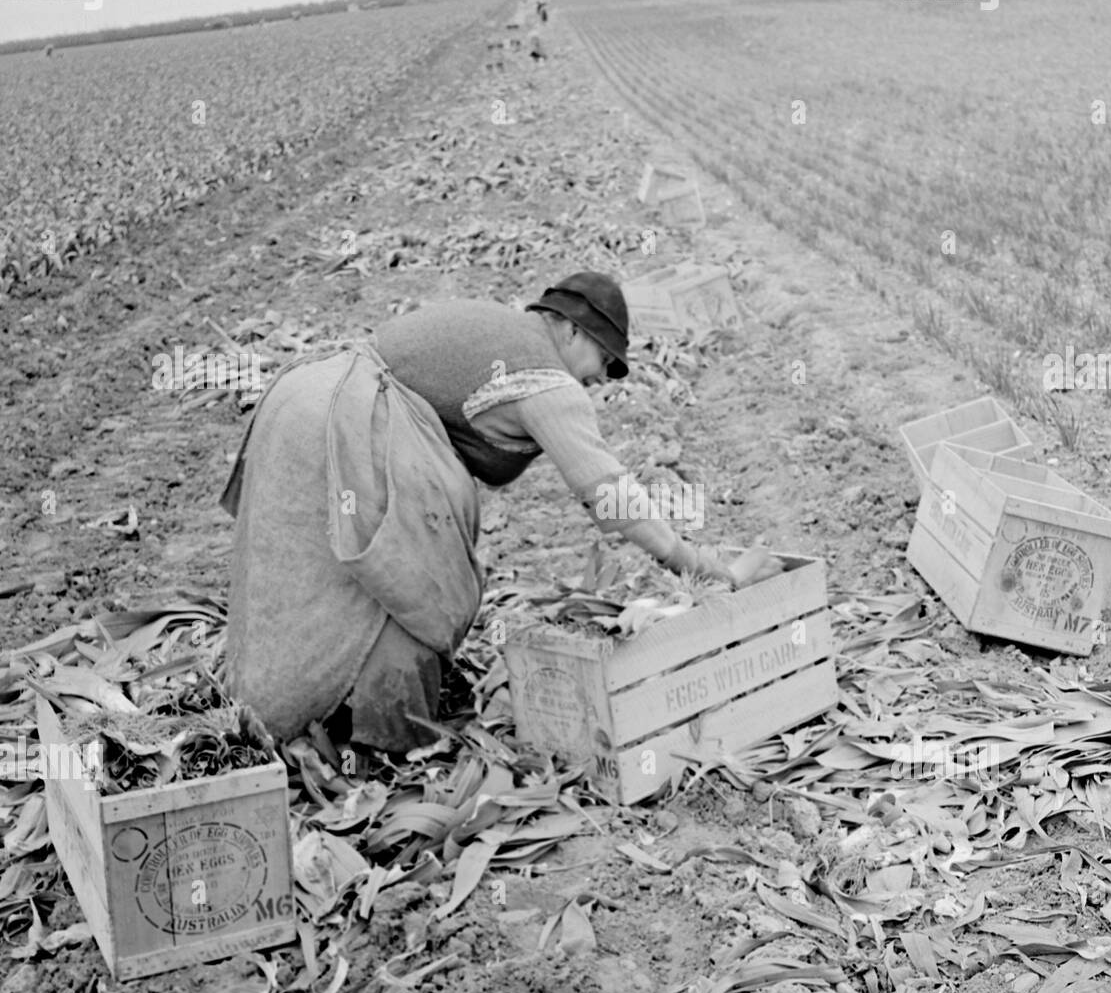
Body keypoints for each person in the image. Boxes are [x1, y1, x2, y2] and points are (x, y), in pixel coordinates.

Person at [220, 272, 761, 757]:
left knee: (308, 575)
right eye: (605, 361)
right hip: (349, 424)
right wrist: (687, 559)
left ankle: (269, 716)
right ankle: (387, 745)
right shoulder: (550, 382)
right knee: (421, 585)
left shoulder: (505, 333)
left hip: (303, 399)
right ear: (571, 331)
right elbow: (606, 492)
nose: (603, 378)